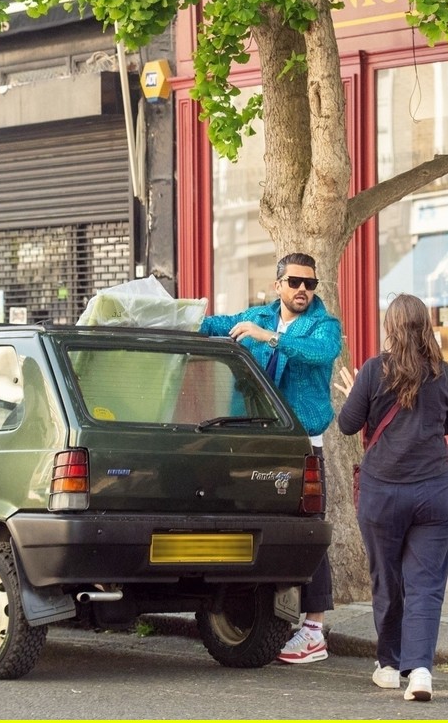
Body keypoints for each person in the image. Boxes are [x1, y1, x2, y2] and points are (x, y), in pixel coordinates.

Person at [197, 252, 343, 664]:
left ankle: (314, 630)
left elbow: (319, 353)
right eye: (294, 282)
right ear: (277, 284)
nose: (302, 290)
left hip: (301, 444)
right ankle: (251, 614)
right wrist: (161, 313)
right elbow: (210, 326)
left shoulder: (324, 325)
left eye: (309, 284)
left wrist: (271, 339)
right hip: (255, 442)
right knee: (254, 530)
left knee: (310, 533)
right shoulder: (257, 315)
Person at [336, 293, 448, 701]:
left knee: (388, 582)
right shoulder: (441, 373)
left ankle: (390, 666)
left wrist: (354, 389)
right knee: (425, 586)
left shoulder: (374, 371)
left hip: (382, 495)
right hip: (434, 494)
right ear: (424, 326)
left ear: (390, 328)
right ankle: (422, 672)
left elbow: (346, 425)